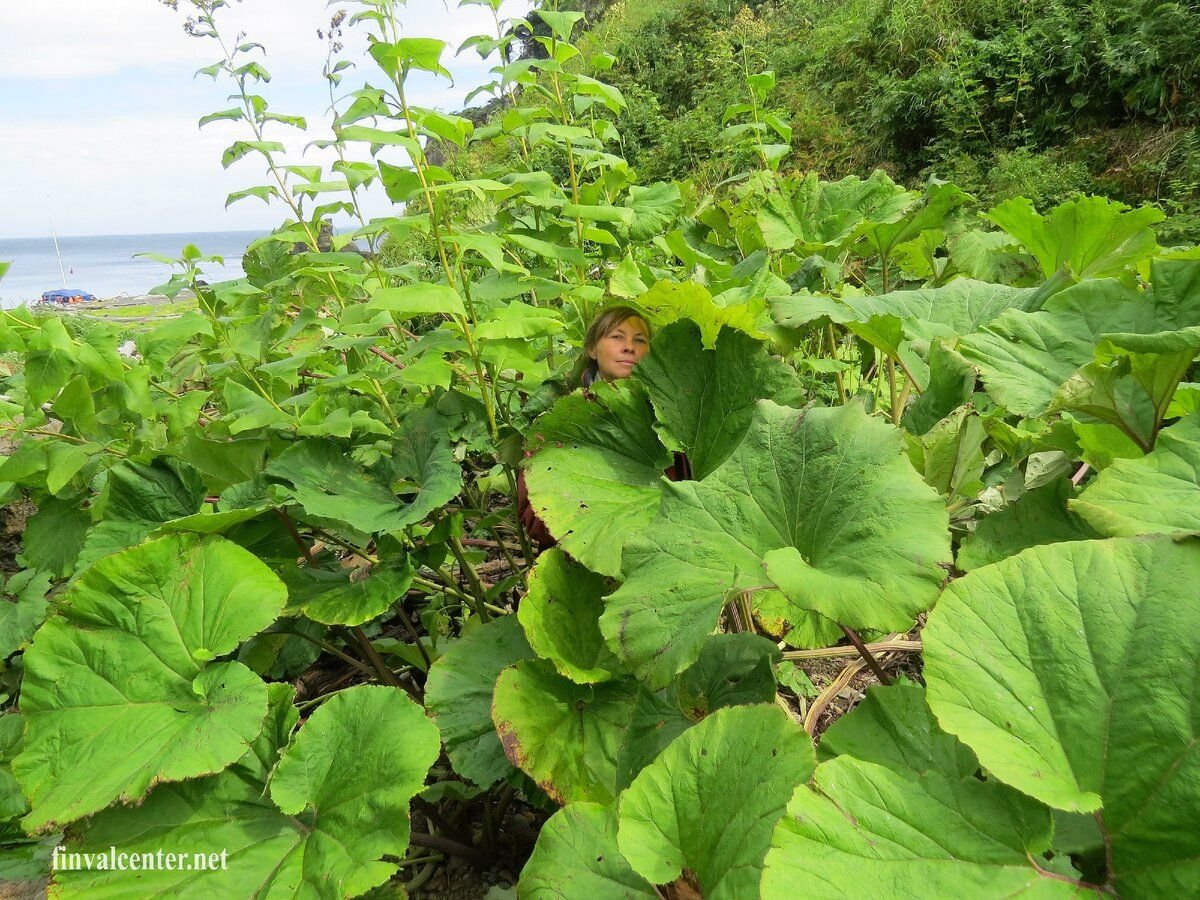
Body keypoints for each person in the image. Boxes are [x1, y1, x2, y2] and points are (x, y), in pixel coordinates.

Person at [517, 306, 689, 549]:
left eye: (639, 340)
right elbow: (534, 515)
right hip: (581, 554)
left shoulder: (671, 416)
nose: (629, 347)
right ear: (592, 349)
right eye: (617, 337)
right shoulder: (562, 417)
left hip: (662, 552)